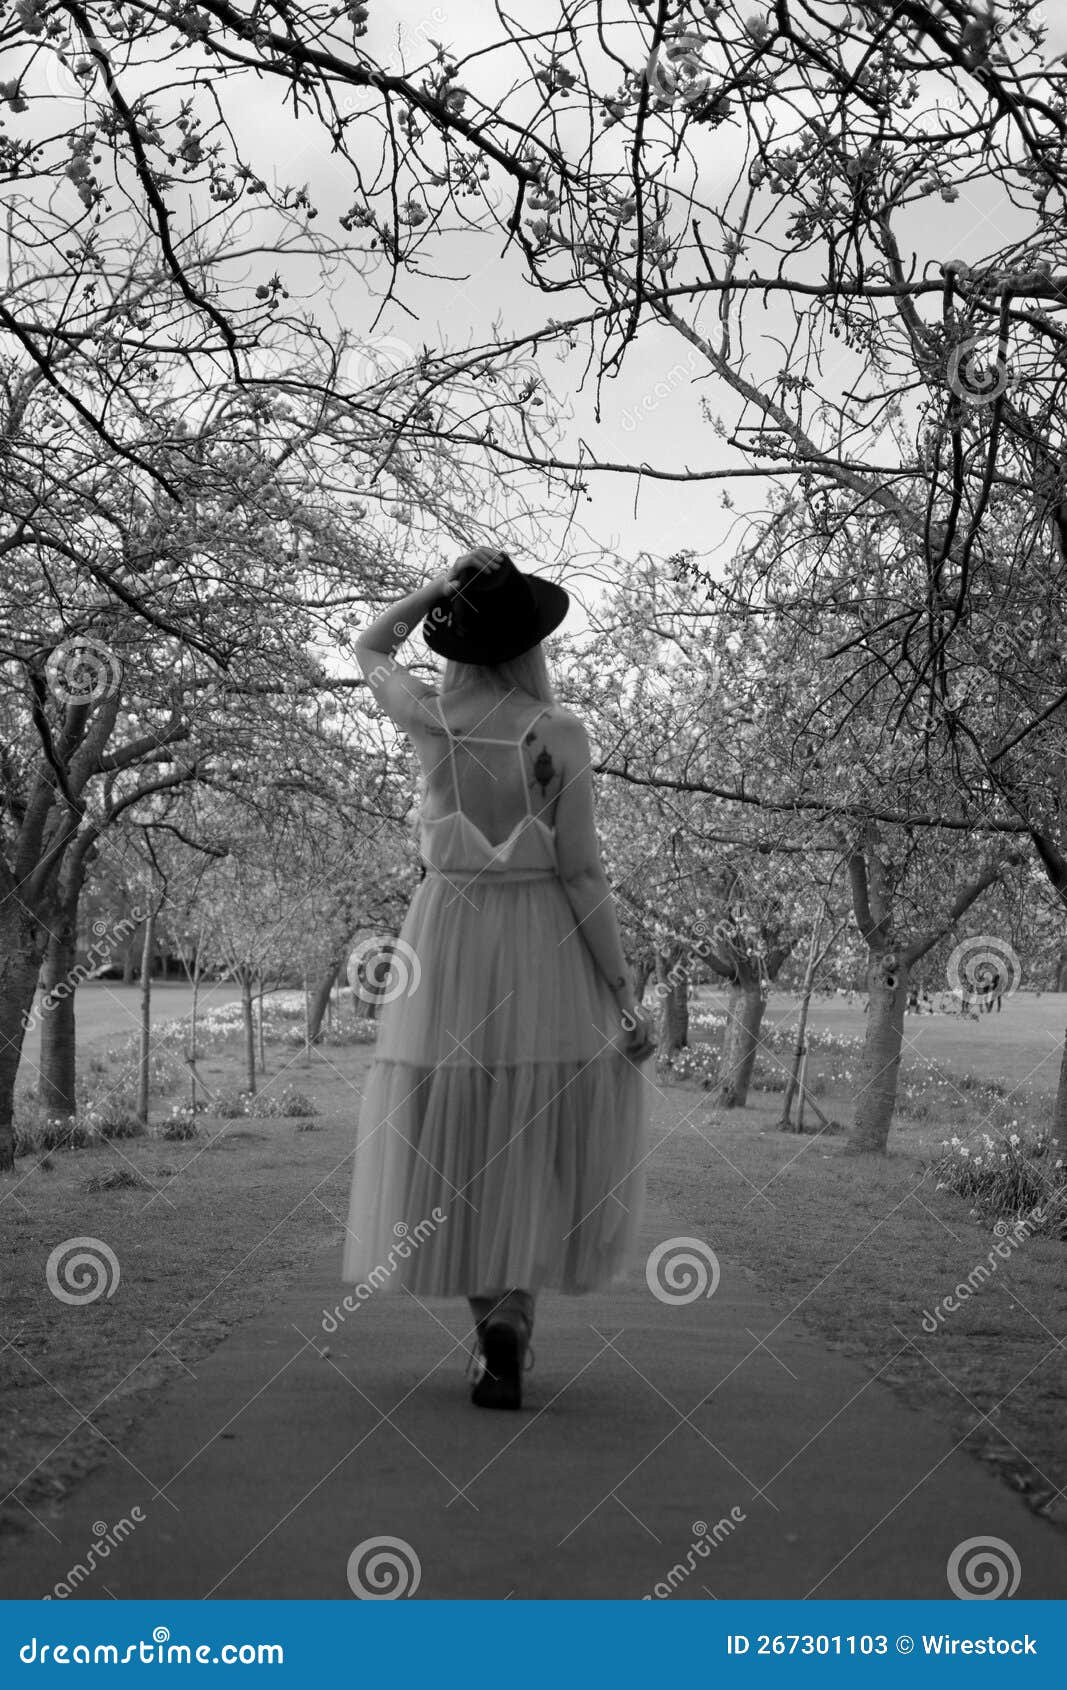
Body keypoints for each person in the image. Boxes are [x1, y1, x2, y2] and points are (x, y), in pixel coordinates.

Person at [342, 547, 655, 1412]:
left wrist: (433, 592)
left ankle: (493, 1327)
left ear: (455, 640)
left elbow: (369, 647)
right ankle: (516, 1315)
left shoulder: (431, 718)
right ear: (530, 644)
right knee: (537, 1131)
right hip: (544, 944)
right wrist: (623, 992)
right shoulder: (556, 735)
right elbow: (583, 875)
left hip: (446, 942)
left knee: (459, 1135)